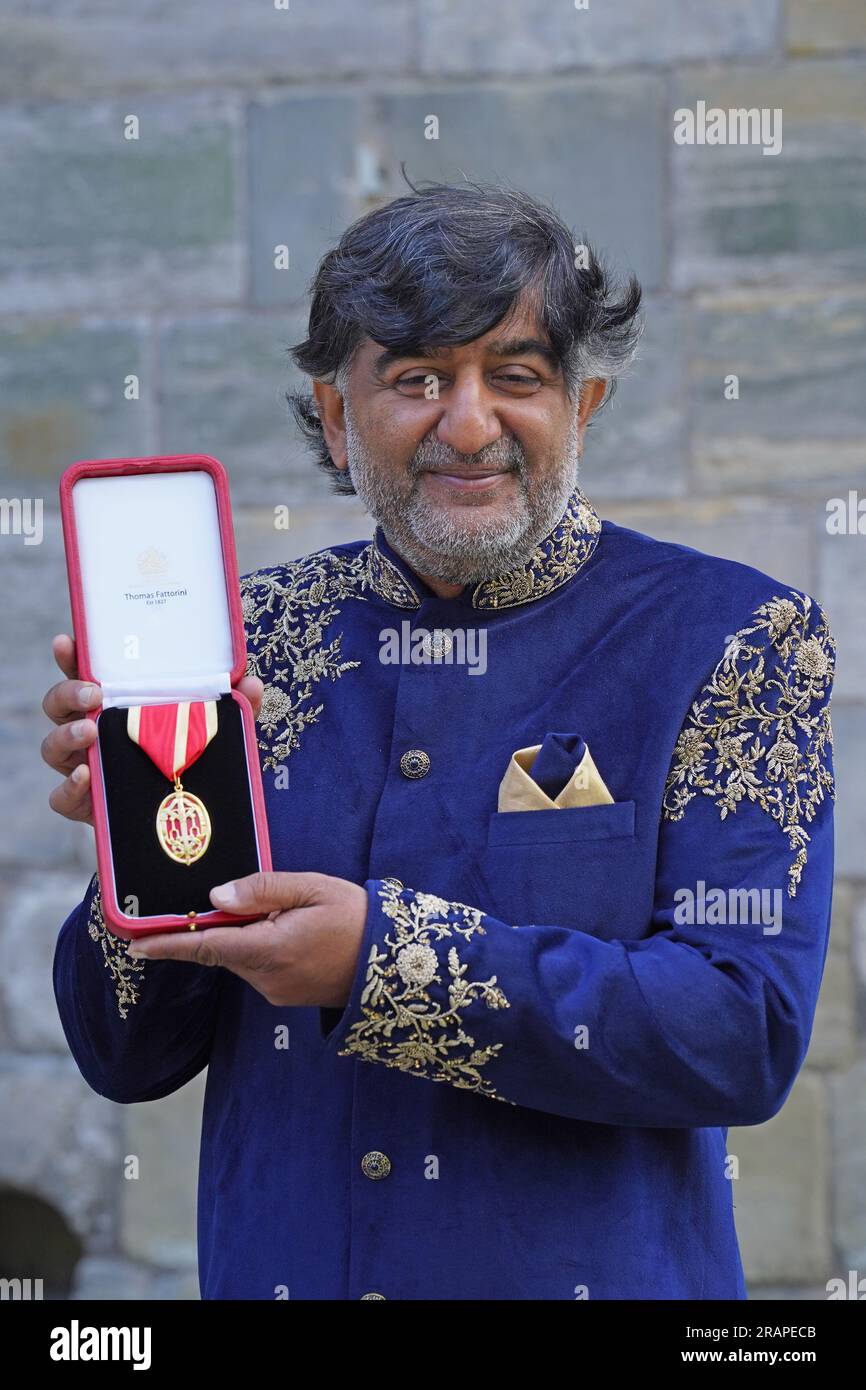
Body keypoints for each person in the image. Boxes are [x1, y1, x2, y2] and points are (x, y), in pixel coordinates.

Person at [46, 178, 836, 1301]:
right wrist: (134, 845)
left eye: (512, 376)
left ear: (583, 401)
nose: (467, 423)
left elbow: (738, 1029)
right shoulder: (249, 643)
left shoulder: (728, 638)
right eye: (415, 378)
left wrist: (381, 959)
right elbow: (127, 1058)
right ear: (333, 414)